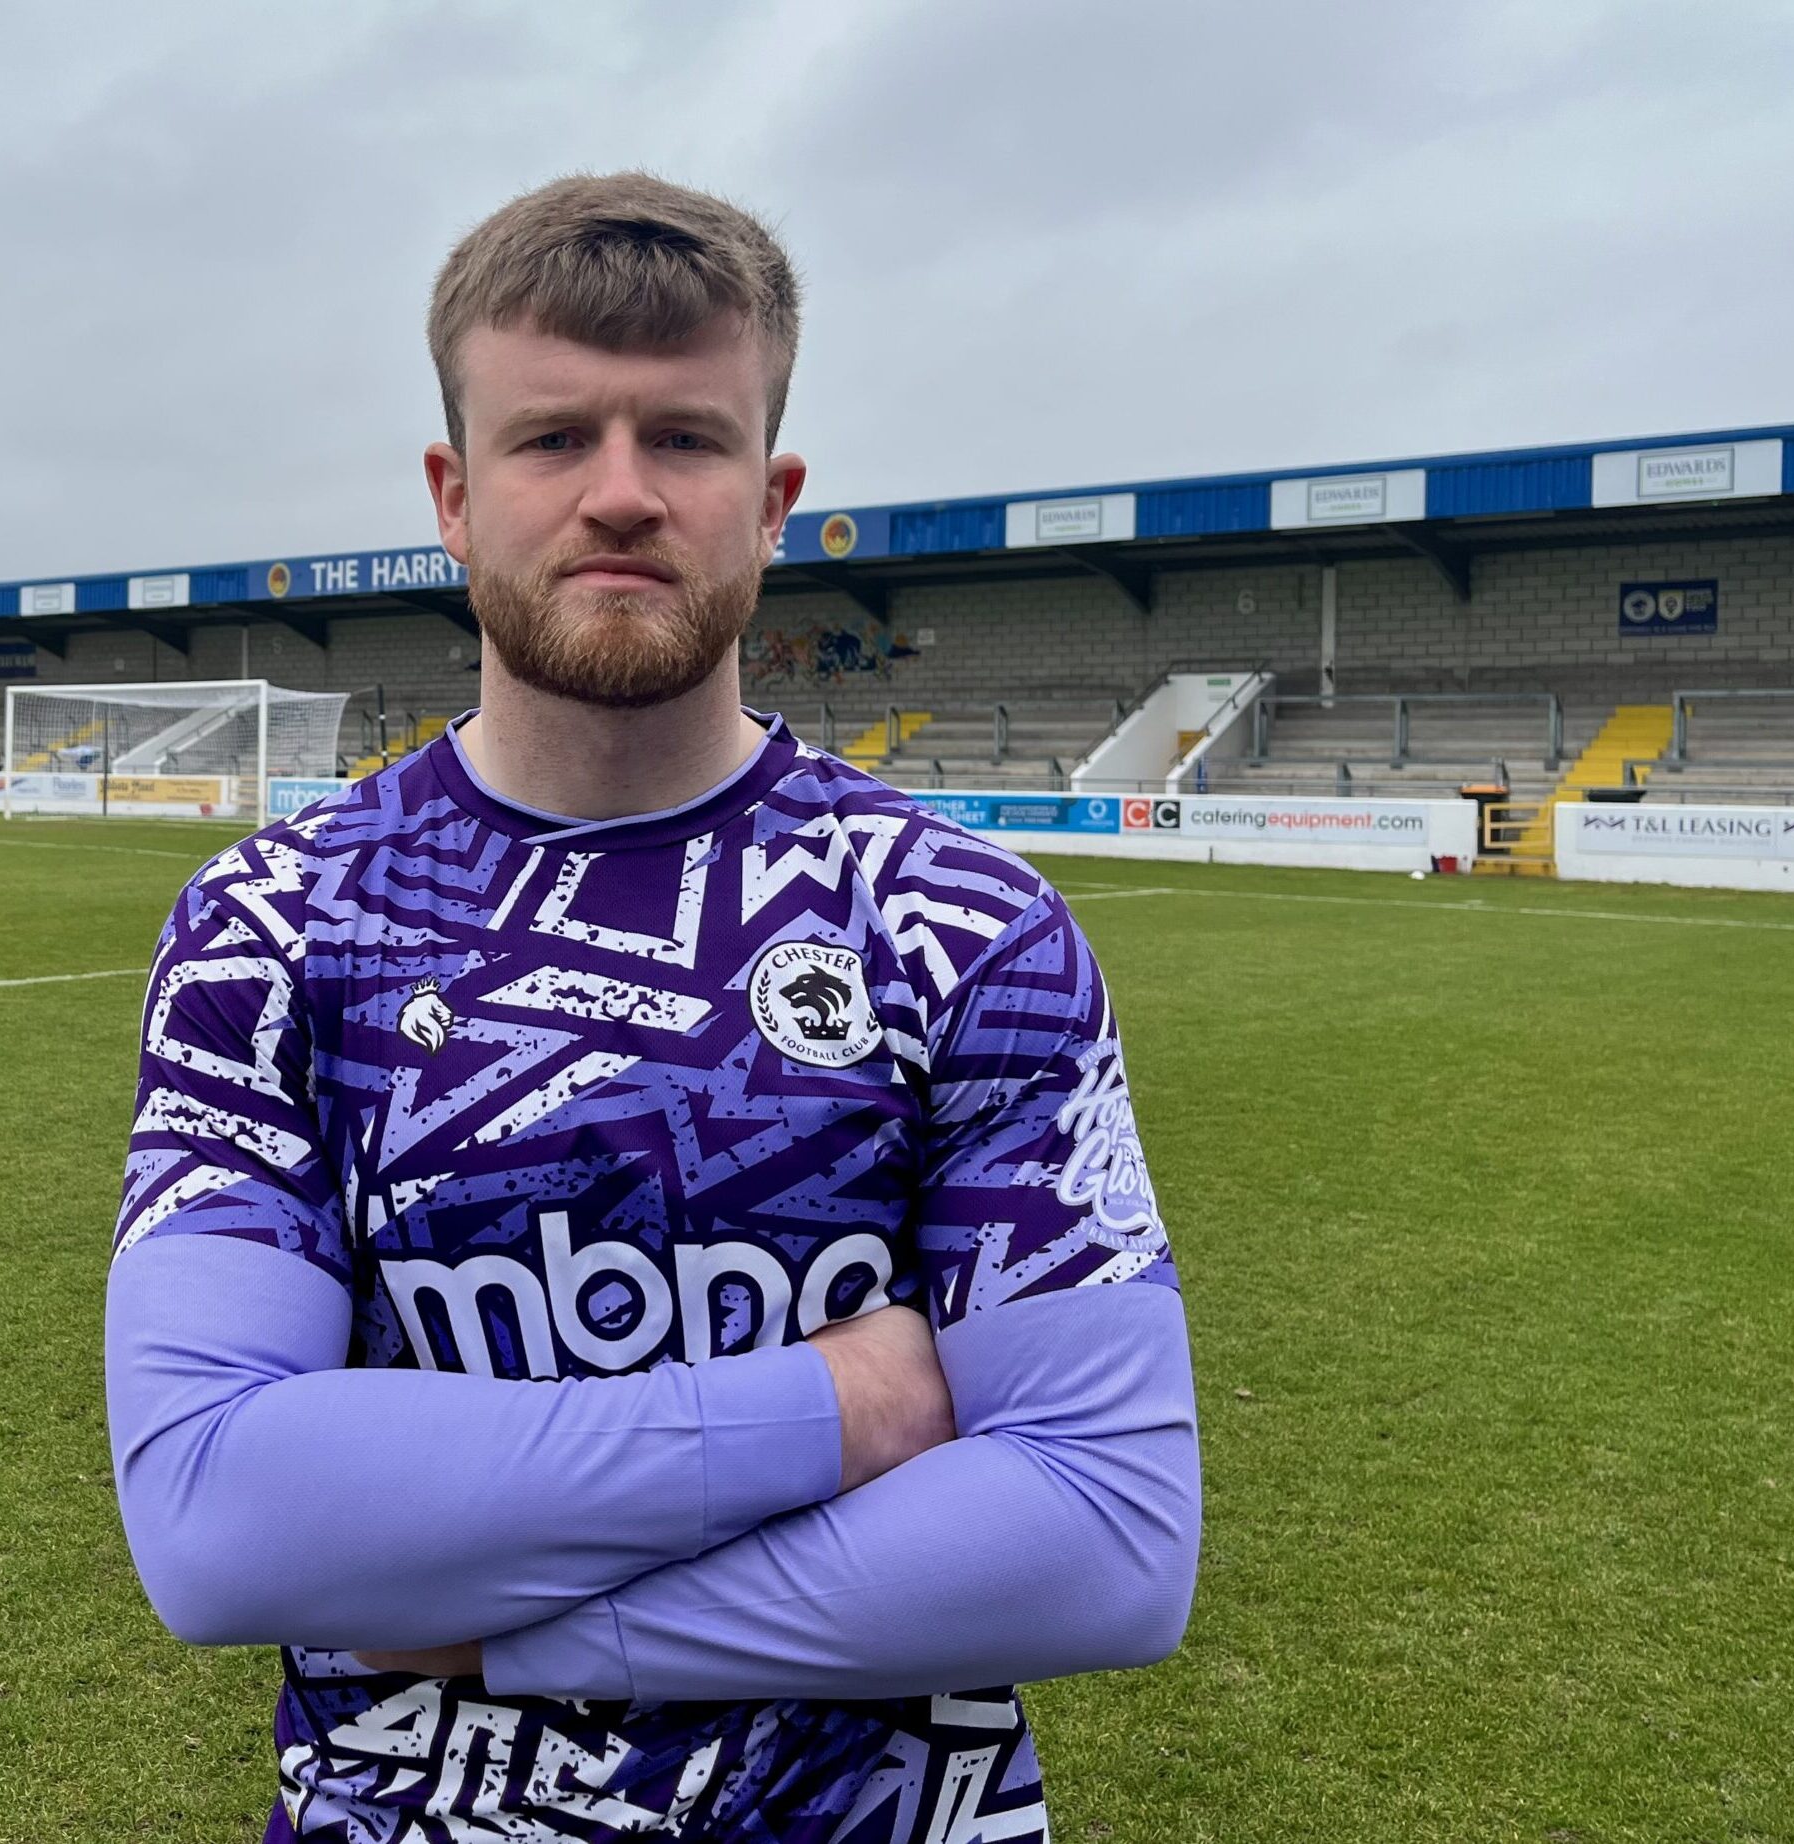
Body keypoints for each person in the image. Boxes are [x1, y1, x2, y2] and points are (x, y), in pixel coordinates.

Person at [104, 171, 1200, 1844]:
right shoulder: (270, 925)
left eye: (683, 440)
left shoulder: (966, 925)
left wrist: (530, 1631)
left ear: (772, 500)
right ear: (453, 497)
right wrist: (847, 1408)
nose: (620, 495)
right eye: (554, 441)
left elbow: (1106, 1535)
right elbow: (217, 1521)